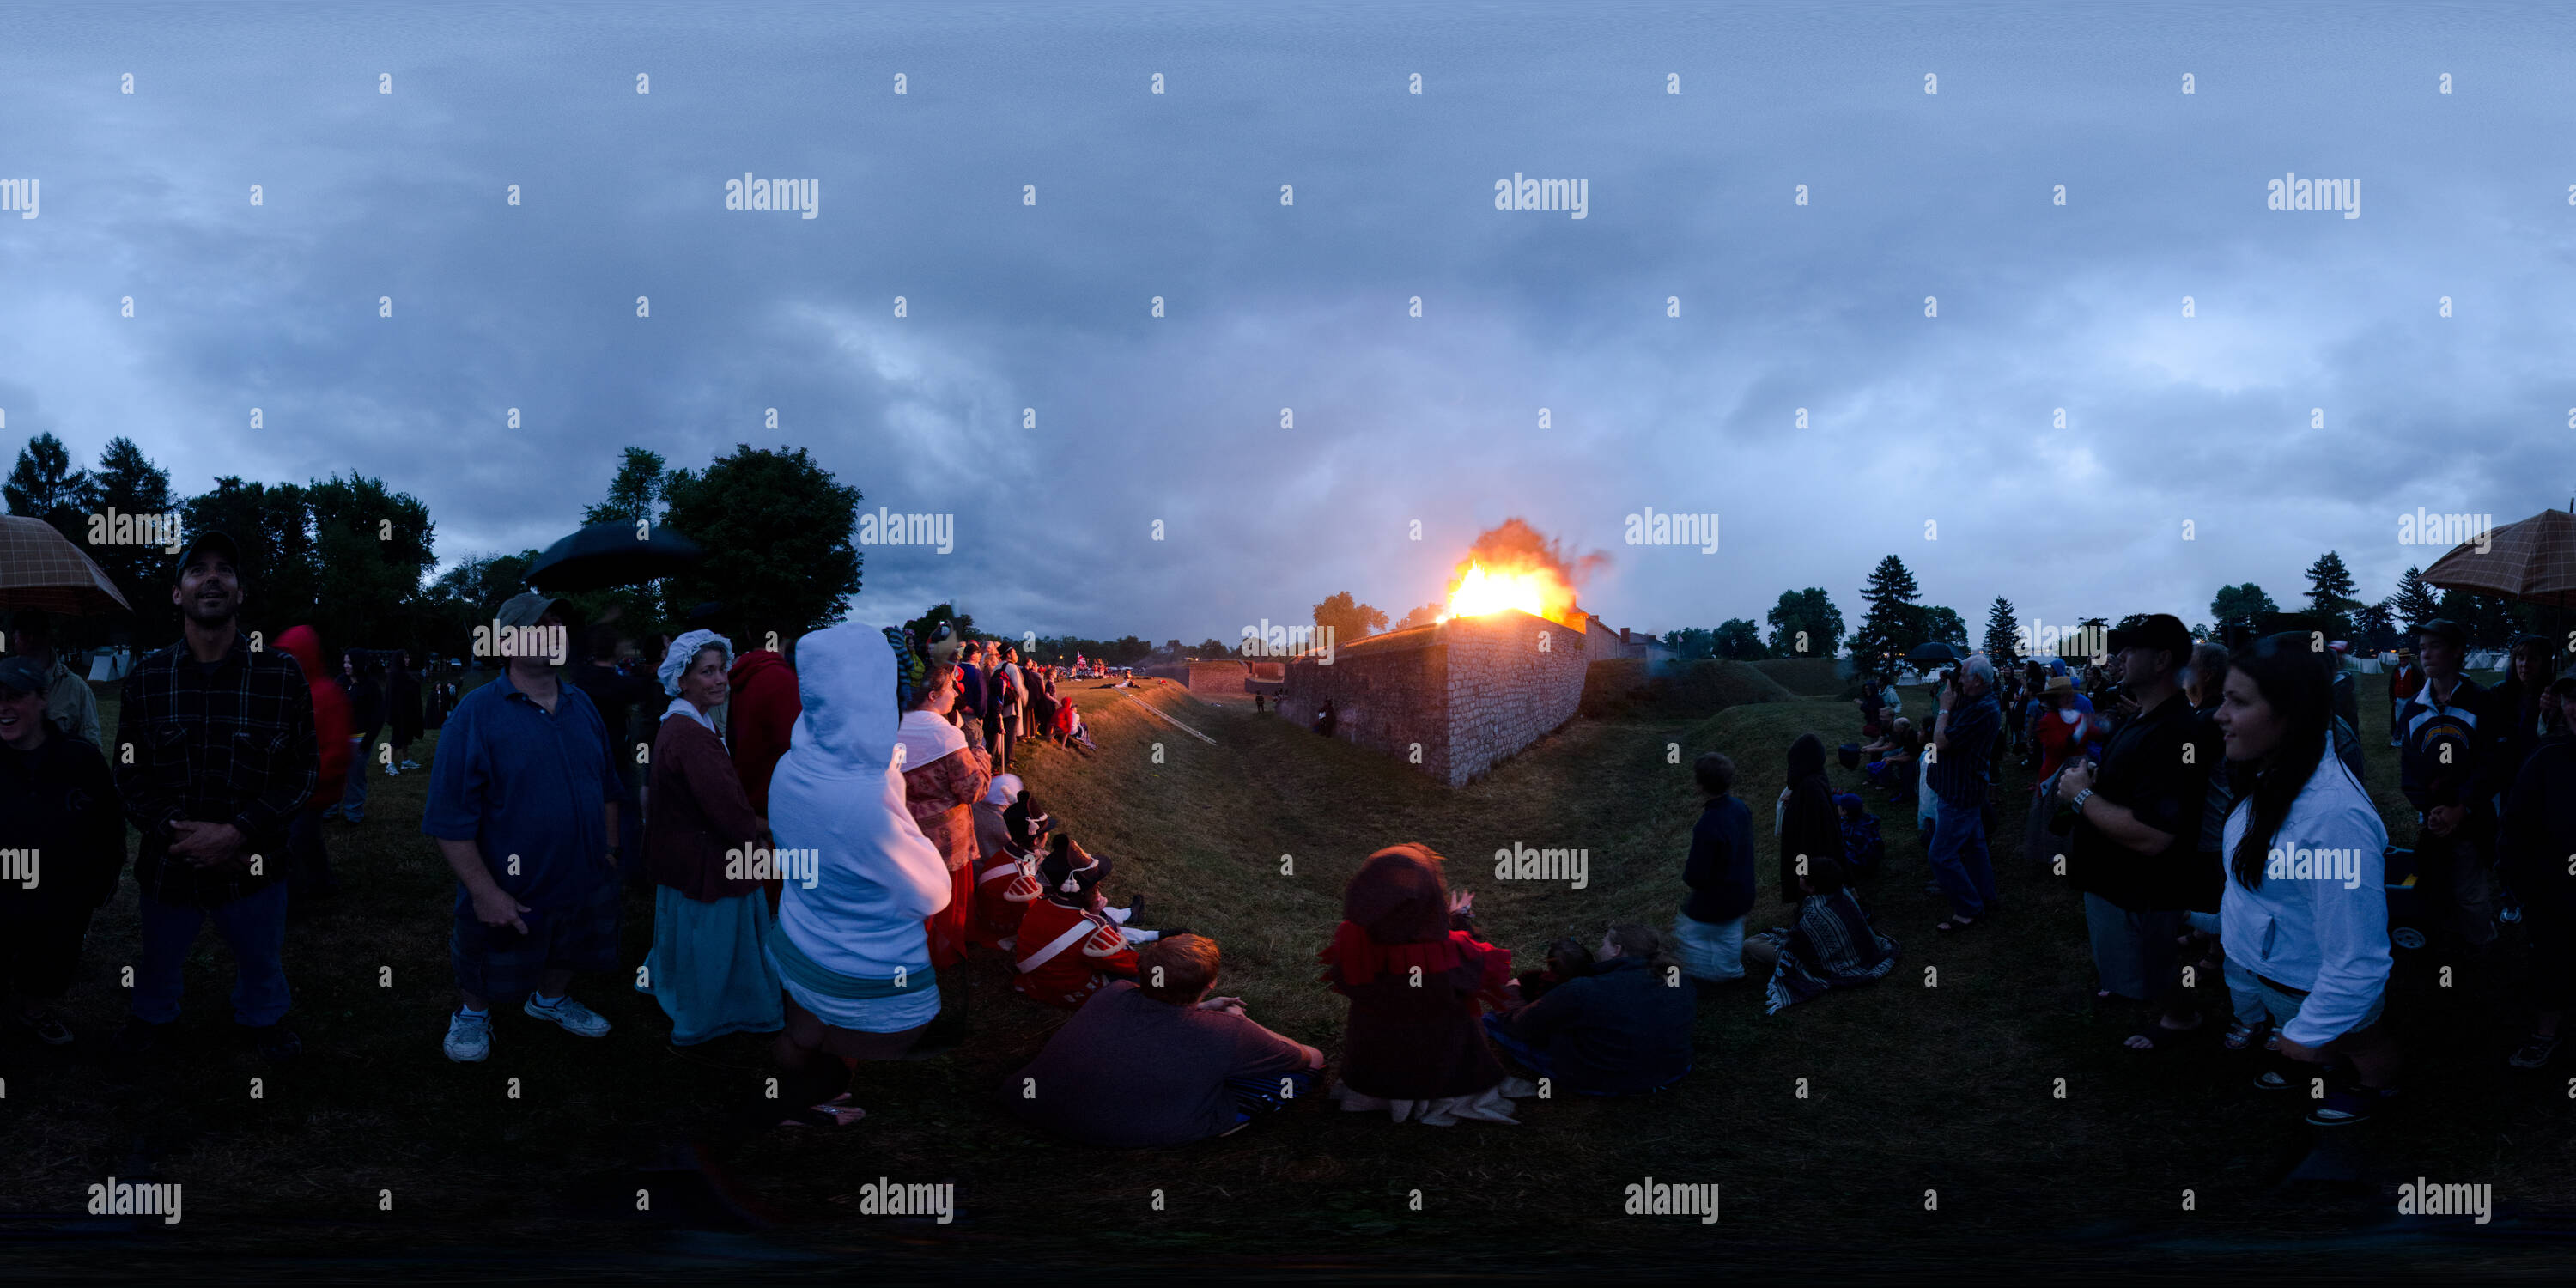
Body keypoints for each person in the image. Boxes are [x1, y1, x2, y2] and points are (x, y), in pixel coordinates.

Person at [112, 532, 319, 1061]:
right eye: (197, 569)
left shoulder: (281, 675)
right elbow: (128, 773)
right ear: (176, 592)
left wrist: (237, 832)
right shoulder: (147, 677)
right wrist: (179, 833)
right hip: (170, 861)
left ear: (240, 592)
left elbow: (303, 772)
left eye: (224, 569)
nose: (212, 578)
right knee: (158, 959)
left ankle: (262, 1018)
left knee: (261, 957)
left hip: (254, 863)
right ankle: (153, 1016)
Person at [424, 593, 627, 1063]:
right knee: (485, 953)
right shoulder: (475, 714)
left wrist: (610, 849)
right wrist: (484, 893)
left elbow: (608, 786)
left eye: (559, 623)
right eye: (540, 625)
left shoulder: (582, 704)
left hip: (582, 874)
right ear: (507, 642)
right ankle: (473, 1013)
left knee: (570, 948)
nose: (555, 632)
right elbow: (448, 819)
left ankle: (550, 1000)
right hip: (511, 881)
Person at [2215, 632, 2398, 1126]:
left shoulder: (2333, 821)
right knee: (2326, 1040)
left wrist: (2308, 1031)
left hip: (2312, 980)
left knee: (2362, 1041)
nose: (2219, 715)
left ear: (2289, 713)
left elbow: (2358, 959)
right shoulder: (2273, 776)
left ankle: (2375, 1085)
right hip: (2283, 972)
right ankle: (2323, 1059)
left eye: (2237, 701)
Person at [2053, 614, 2216, 1050]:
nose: (2119, 656)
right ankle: (2175, 1013)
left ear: (2162, 660)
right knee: (2152, 959)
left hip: (2146, 884)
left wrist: (2081, 796)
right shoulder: (2145, 717)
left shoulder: (2176, 732)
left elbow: (2154, 834)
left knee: (2158, 960)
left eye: (2131, 649)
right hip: (2123, 880)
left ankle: (2181, 1020)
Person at [1008, 933, 1324, 1146]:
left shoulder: (1115, 992)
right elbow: (1309, 1057)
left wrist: (1202, 1009)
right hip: (1118, 1132)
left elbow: (1159, 1009)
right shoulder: (1229, 1031)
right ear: (1211, 984)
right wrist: (1240, 1020)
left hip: (1032, 1104)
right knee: (1305, 1073)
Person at [639, 630, 785, 1050]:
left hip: (688, 852)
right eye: (707, 672)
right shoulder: (691, 735)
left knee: (693, 935)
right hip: (709, 859)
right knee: (714, 941)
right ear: (682, 680)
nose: (720, 679)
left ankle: (694, 991)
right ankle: (715, 1008)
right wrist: (765, 830)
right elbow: (726, 811)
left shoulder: (686, 722)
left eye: (722, 669)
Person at [1320, 844, 1523, 1126]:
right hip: (1440, 1064)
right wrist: (1462, 921)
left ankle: (1383, 1096)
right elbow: (1477, 977)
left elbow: (1347, 977)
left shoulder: (1353, 939)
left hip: (1375, 1064)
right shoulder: (1445, 951)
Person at [0, 655, 125, 1046]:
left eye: (14, 696)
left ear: (42, 699)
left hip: (60, 895)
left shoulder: (79, 759)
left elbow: (109, 826)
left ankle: (33, 1012)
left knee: (51, 962)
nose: (3, 707)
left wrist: (99, 884)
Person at [1483, 922, 1693, 1094]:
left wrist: (1512, 991)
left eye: (1604, 943)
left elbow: (1518, 1024)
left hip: (1605, 1080)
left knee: (1491, 1021)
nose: (1599, 948)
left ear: (1617, 950)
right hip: (1673, 1070)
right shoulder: (1678, 978)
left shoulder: (1584, 990)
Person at [2397, 619, 2501, 959]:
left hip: (2472, 816)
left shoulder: (2481, 701)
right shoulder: (2414, 708)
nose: (2425, 654)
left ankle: (2482, 943)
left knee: (2470, 890)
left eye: (2435, 646)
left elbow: (2492, 763)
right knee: (2434, 879)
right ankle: (2445, 942)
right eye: (2422, 648)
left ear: (2457, 651)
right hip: (2433, 817)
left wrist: (2462, 806)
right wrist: (2429, 809)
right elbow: (2410, 768)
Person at [896, 653, 993, 975]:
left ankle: (909, 953)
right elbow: (973, 791)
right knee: (945, 901)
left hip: (907, 831)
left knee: (915, 898)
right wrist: (980, 755)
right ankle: (942, 952)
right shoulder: (947, 735)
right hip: (946, 838)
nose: (956, 694)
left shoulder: (896, 727)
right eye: (951, 688)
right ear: (933, 695)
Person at [2500, 675, 2576, 1068]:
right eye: (2572, 698)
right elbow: (2516, 824)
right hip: (2555, 888)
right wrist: (2520, 882)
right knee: (2551, 957)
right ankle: (2546, 1032)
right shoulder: (2548, 756)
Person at [1011, 835, 1166, 1009]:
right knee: (1154, 973)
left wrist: (1094, 915)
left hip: (1035, 980)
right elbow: (1132, 965)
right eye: (1096, 884)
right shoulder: (1093, 930)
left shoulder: (1038, 904)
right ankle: (1162, 998)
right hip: (1070, 992)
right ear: (1090, 889)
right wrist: (1108, 927)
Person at [1742, 855, 1899, 1014]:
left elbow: (1797, 949)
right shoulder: (1843, 893)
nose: (1800, 876)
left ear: (1812, 887)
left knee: (1751, 944)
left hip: (1834, 962)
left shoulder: (1814, 915)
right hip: (1862, 951)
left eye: (1803, 876)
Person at [1926, 653, 2003, 933]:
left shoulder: (1984, 709)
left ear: (1978, 680)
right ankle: (1985, 895)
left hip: (1960, 790)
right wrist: (1952, 697)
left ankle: (1969, 908)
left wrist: (1944, 708)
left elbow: (1941, 741)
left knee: (1941, 855)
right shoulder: (1977, 701)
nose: (1958, 680)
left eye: (1962, 676)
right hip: (1963, 786)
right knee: (1973, 847)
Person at [276, 626, 353, 908]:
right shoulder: (294, 690)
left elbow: (339, 748)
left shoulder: (326, 694)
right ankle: (324, 882)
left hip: (315, 788)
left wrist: (309, 778)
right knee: (307, 836)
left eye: (294, 655)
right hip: (300, 785)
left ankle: (292, 902)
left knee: (293, 841)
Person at [1670, 751, 1755, 987]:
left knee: (1688, 931)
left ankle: (1702, 975)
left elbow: (1696, 875)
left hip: (1716, 899)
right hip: (1741, 891)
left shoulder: (1708, 825)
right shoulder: (1740, 808)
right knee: (1730, 930)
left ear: (1699, 785)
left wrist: (1690, 876)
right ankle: (1730, 969)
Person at [726, 640, 802, 825]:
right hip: (774, 803)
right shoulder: (782, 678)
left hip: (748, 792)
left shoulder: (743, 672)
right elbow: (793, 745)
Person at [6, 612, 100, 747]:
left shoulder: (77, 689)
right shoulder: (3, 683)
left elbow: (92, 747)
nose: (31, 639)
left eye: (37, 633)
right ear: (14, 639)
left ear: (49, 637)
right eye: (24, 634)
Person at [1777, 733, 1838, 909]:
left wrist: (1803, 871)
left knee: (1803, 870)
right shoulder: (1814, 778)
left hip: (1805, 850)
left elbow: (1808, 834)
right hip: (1805, 847)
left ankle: (1806, 898)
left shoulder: (1810, 787)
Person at [2493, 635, 2558, 788]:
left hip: (2537, 774)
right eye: (2520, 658)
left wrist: (2551, 714)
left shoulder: (2552, 697)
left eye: (2533, 659)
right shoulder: (2499, 692)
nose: (2525, 664)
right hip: (2504, 773)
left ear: (2543, 663)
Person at [386, 652, 423, 773]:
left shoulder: (405, 674)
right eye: (405, 658)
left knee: (406, 736)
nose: (408, 660)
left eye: (408, 657)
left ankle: (405, 761)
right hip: (398, 713)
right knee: (396, 738)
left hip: (407, 712)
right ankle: (389, 764)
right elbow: (392, 696)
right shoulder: (394, 675)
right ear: (399, 659)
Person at [1837, 793, 1885, 872]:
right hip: (1875, 856)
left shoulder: (1851, 830)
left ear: (1844, 812)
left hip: (1862, 865)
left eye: (1839, 805)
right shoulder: (1867, 820)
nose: (1837, 807)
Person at [2385, 648, 2423, 748]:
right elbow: (2391, 685)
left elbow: (2420, 685)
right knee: (2398, 719)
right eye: (2401, 658)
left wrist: (2417, 699)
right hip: (2398, 700)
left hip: (2410, 699)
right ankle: (2399, 738)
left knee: (2410, 719)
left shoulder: (2415, 670)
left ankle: (2409, 738)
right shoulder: (2396, 669)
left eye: (2405, 658)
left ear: (2408, 658)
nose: (2402, 660)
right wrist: (2392, 698)